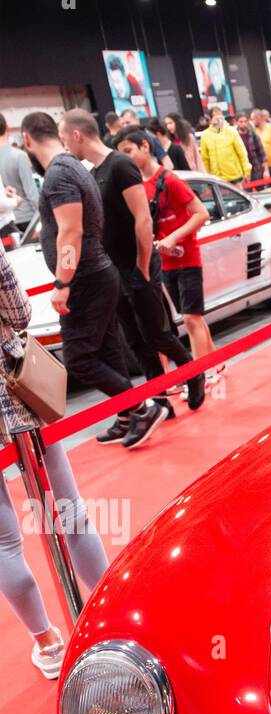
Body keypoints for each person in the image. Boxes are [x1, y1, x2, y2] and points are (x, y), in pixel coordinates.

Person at [19, 110, 164, 448]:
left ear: (27, 139)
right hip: (98, 274)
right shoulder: (75, 167)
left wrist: (62, 283)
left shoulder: (59, 174)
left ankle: (143, 407)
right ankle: (128, 415)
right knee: (109, 350)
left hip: (86, 278)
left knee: (80, 358)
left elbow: (71, 231)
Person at [0, 245, 109, 678]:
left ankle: (47, 644)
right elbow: (18, 311)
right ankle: (106, 610)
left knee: (4, 542)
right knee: (69, 513)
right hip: (13, 393)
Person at [63, 110, 203, 414]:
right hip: (113, 270)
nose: (64, 146)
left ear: (77, 135)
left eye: (64, 138)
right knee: (136, 340)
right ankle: (162, 400)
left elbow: (142, 219)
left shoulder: (120, 165)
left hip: (139, 265)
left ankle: (193, 373)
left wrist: (141, 266)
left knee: (156, 333)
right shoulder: (92, 173)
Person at [116, 126, 215, 386]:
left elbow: (201, 213)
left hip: (187, 257)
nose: (126, 158)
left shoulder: (169, 179)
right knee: (188, 316)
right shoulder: (135, 186)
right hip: (160, 262)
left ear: (145, 147)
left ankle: (199, 376)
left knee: (191, 317)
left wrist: (174, 237)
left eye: (129, 151)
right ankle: (213, 362)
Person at [0, 114, 38, 244]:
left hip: (8, 222)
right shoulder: (19, 156)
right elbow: (32, 193)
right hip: (27, 219)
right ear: (7, 127)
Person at [200, 107, 250, 184]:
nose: (218, 119)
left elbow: (242, 153)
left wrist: (247, 171)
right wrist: (207, 175)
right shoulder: (205, 135)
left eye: (220, 116)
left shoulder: (232, 131)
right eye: (215, 117)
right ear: (210, 120)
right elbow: (205, 159)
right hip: (216, 179)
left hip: (235, 176)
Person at [235, 113, 267, 183]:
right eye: (241, 122)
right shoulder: (234, 137)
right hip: (243, 173)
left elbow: (262, 154)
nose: (243, 124)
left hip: (257, 170)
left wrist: (266, 170)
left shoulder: (254, 135)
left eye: (245, 121)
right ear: (236, 122)